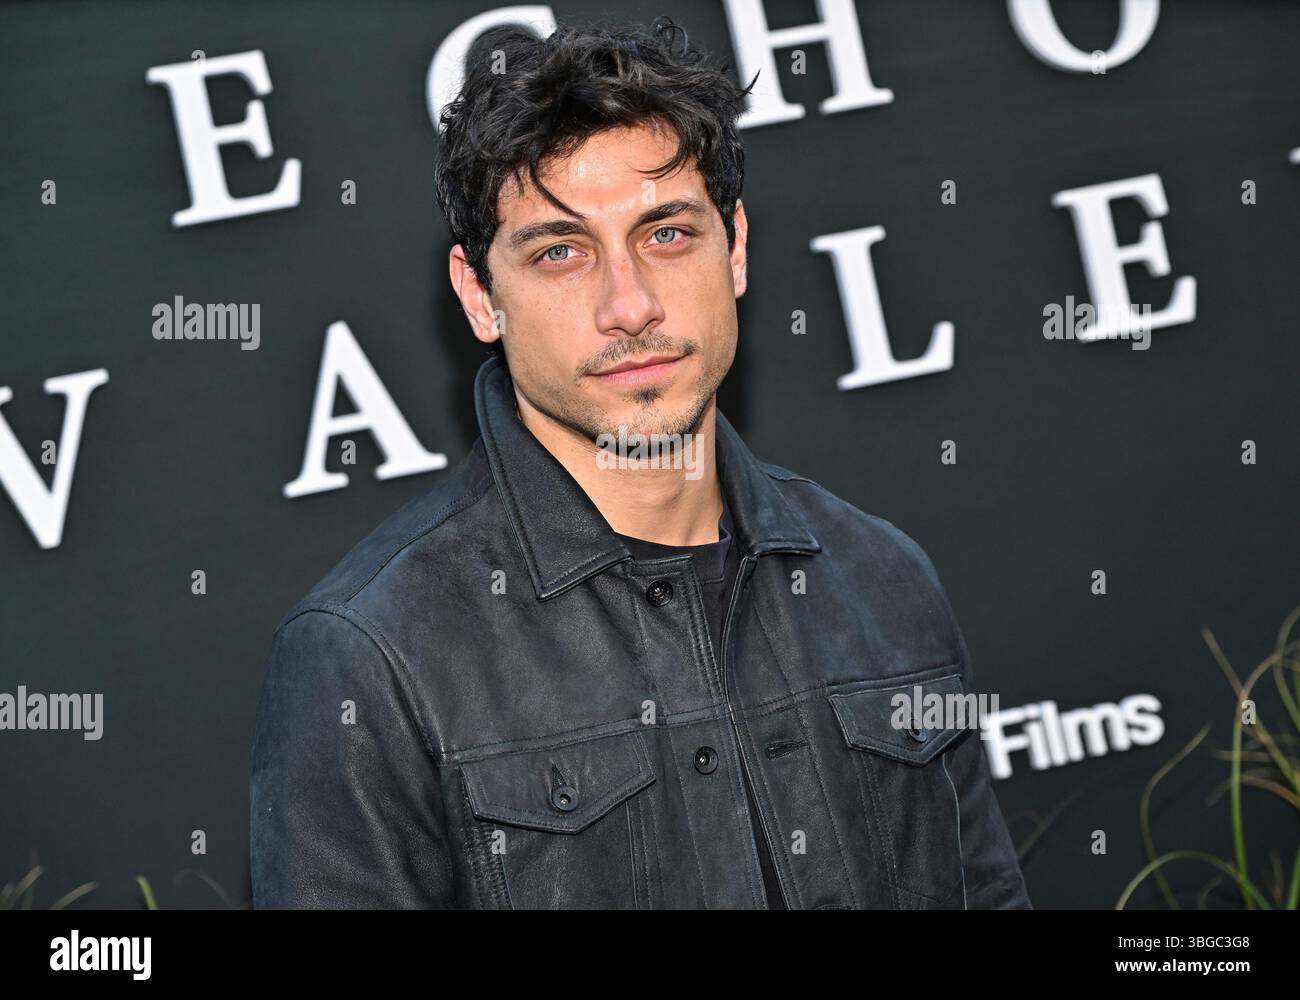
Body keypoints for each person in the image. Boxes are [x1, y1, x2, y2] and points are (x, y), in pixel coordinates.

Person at [249, 16, 1031, 909]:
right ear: (479, 296)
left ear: (734, 248)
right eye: (560, 253)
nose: (630, 305)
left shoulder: (880, 578)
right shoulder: (370, 657)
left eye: (666, 235)